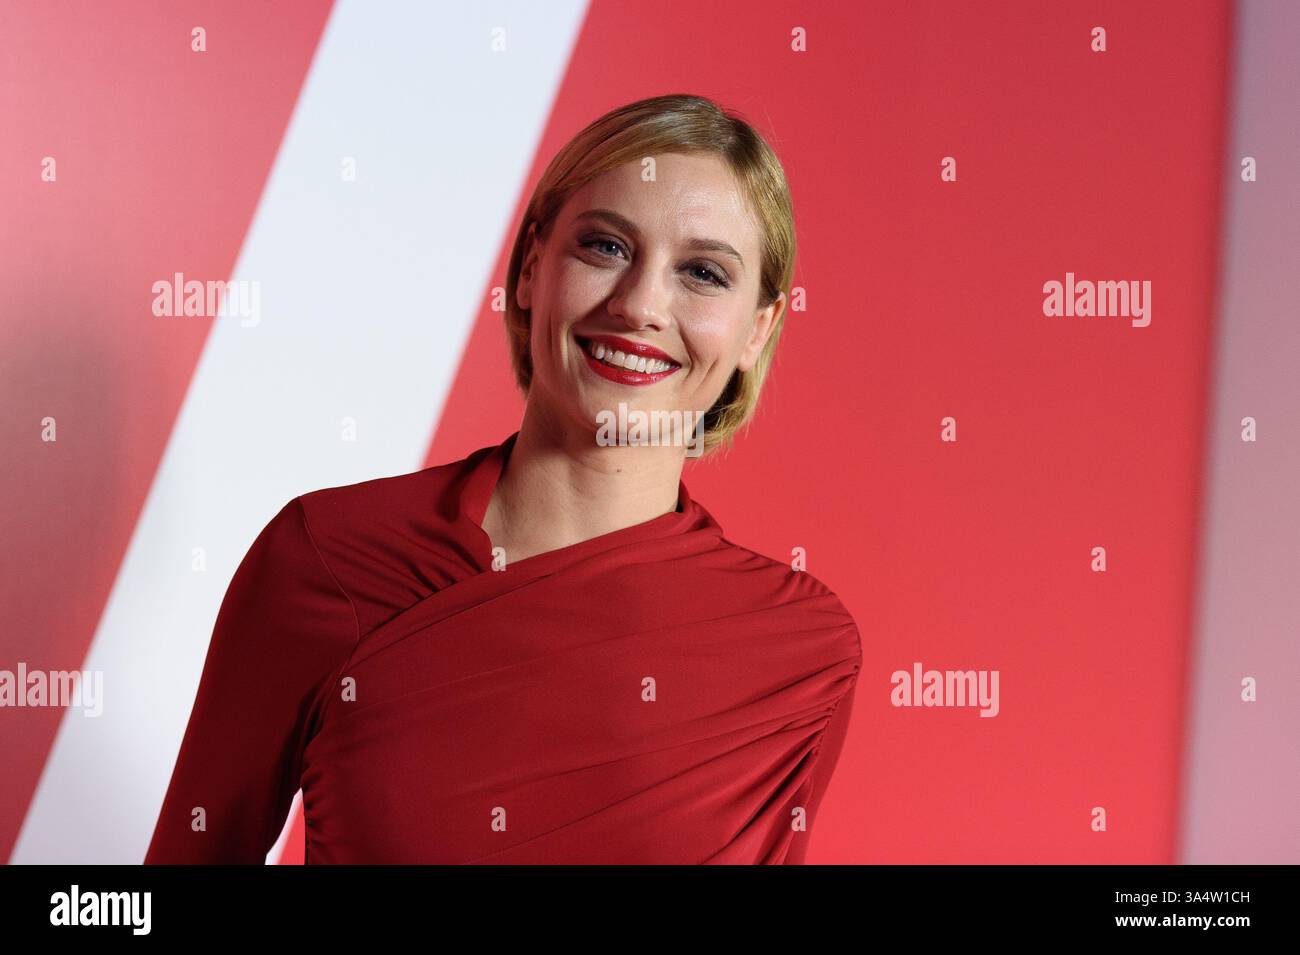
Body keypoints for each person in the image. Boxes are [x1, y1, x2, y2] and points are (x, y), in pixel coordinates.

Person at [145, 93, 862, 864]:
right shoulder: (324, 558)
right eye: (606, 248)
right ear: (530, 270)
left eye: (703, 272)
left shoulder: (801, 653)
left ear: (757, 329)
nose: (640, 306)